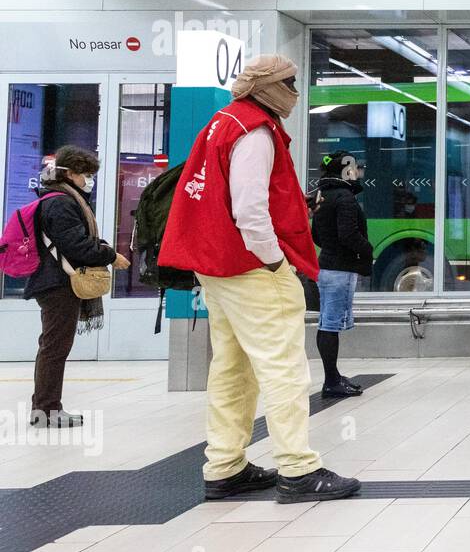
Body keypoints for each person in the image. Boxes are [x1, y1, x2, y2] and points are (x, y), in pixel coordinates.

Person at [159, 55, 360, 504]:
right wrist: (274, 262)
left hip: (217, 267)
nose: (294, 90)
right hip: (251, 268)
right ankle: (298, 468)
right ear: (266, 87)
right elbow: (249, 210)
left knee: (232, 367)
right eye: (289, 82)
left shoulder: (222, 122)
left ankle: (225, 466)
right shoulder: (254, 130)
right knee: (283, 366)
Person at [24, 146, 130, 427]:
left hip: (54, 281)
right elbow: (76, 245)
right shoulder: (61, 202)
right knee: (55, 347)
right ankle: (47, 410)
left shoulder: (60, 199)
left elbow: (73, 239)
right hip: (57, 283)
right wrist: (110, 255)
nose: (88, 180)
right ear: (69, 173)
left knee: (52, 345)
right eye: (85, 174)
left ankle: (45, 407)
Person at [311, 151, 371, 398]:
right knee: (330, 325)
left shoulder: (323, 195)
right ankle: (331, 381)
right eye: (356, 168)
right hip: (340, 269)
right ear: (347, 170)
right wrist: (367, 249)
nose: (358, 172)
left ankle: (333, 376)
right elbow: (348, 234)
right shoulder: (345, 198)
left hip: (326, 265)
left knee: (327, 323)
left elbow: (316, 236)